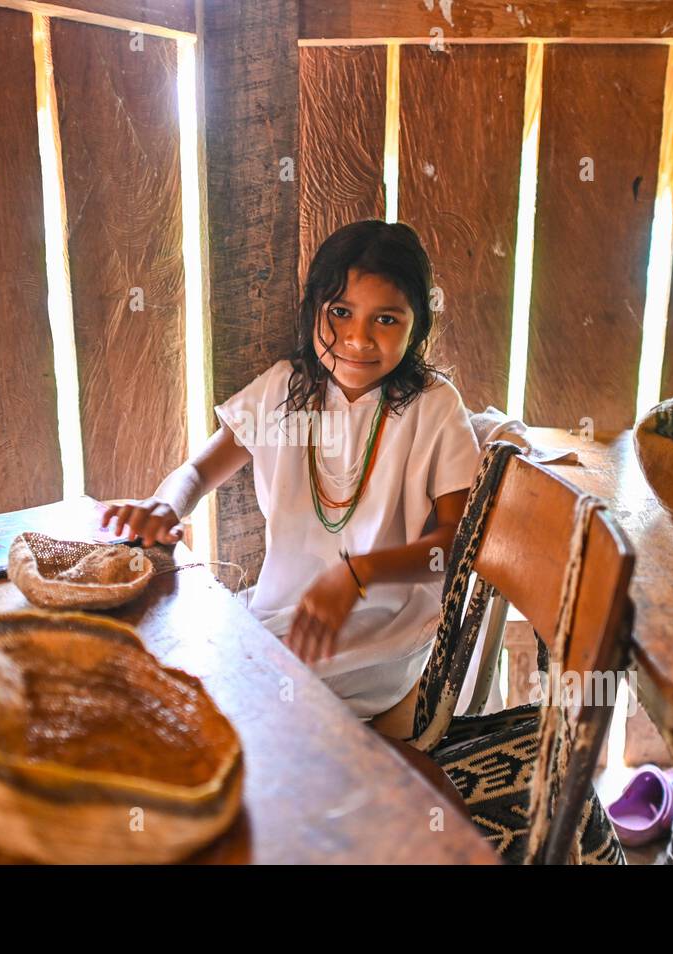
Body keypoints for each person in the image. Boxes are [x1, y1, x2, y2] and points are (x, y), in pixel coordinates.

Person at [100, 220, 480, 729]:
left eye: (386, 319)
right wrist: (166, 505)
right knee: (154, 666)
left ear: (417, 327)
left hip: (379, 634)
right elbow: (197, 470)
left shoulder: (434, 408)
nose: (358, 338)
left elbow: (455, 544)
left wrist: (358, 574)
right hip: (280, 615)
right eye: (340, 312)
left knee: (214, 707)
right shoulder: (286, 390)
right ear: (313, 310)